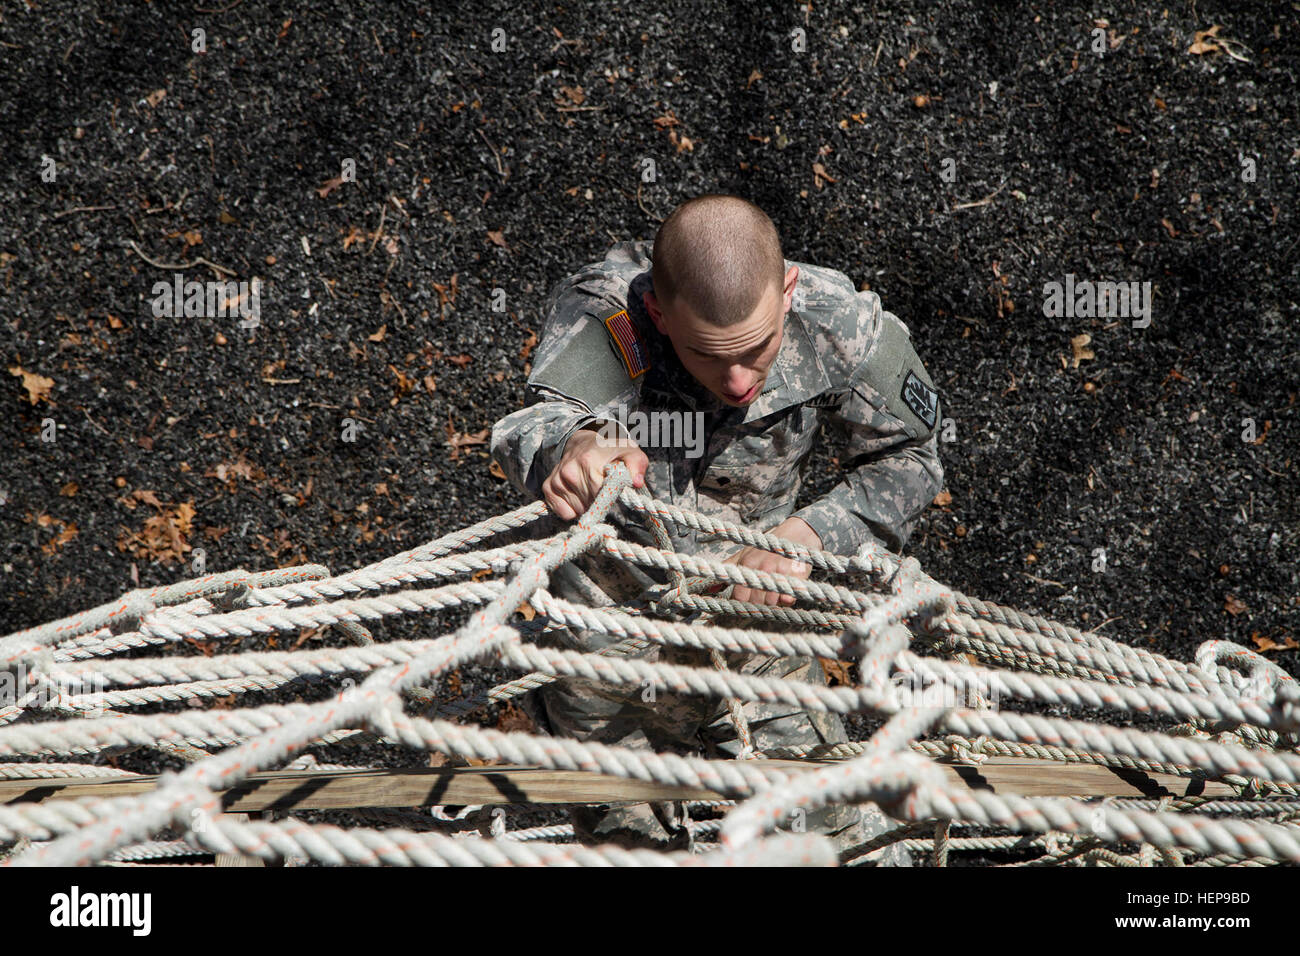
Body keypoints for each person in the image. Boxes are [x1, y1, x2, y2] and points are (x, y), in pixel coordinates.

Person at [490, 194, 944, 851]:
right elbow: (531, 425)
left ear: (788, 292)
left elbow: (913, 456)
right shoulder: (612, 314)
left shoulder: (839, 322)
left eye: (756, 349)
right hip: (607, 625)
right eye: (708, 354)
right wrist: (573, 448)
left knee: (825, 826)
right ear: (658, 313)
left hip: (756, 613)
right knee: (623, 842)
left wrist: (813, 535)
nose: (736, 382)